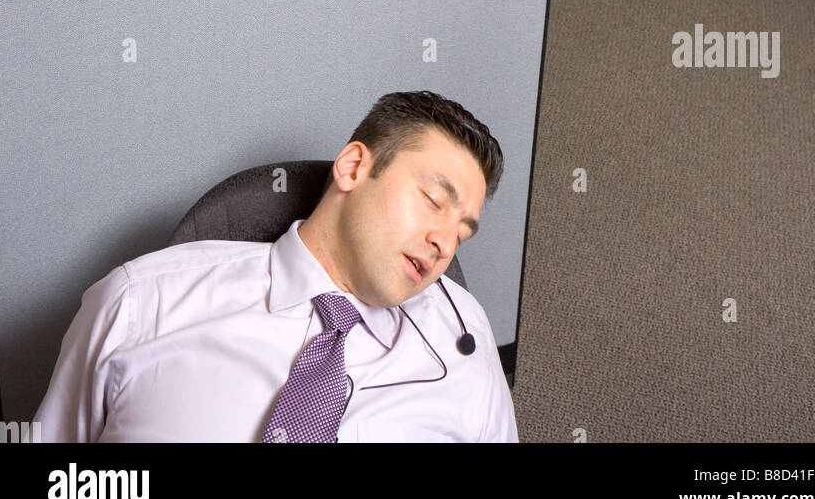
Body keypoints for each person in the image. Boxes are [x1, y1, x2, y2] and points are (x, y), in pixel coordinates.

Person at [32, 90, 518, 442]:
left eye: (463, 232)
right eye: (434, 200)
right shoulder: (143, 301)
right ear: (352, 168)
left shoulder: (463, 333)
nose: (445, 243)